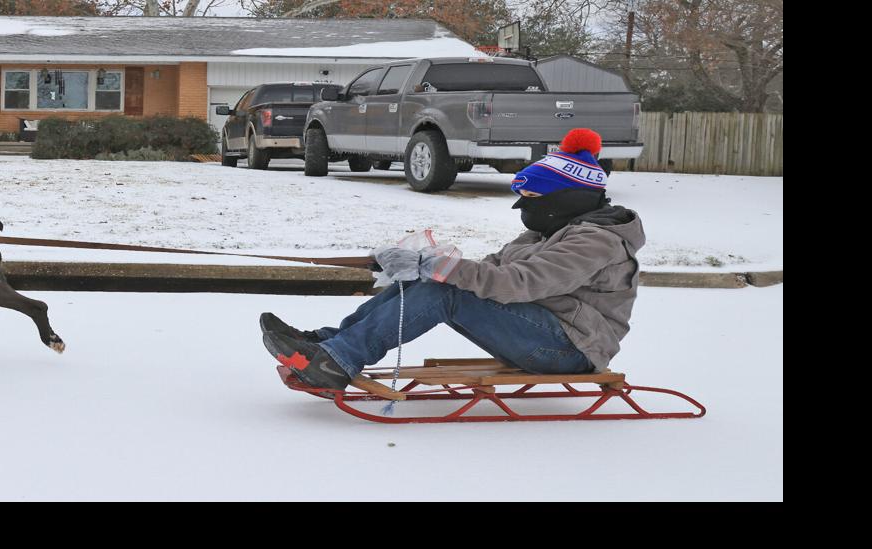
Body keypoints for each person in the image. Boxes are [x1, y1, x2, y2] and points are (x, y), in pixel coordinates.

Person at [261, 129, 646, 389]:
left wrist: (441, 270)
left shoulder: (596, 241)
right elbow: (493, 269)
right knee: (434, 283)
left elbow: (519, 283)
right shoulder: (547, 232)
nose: (521, 209)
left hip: (570, 349)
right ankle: (331, 344)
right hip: (541, 331)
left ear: (567, 198)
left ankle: (337, 360)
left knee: (447, 292)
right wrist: (415, 263)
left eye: (531, 200)